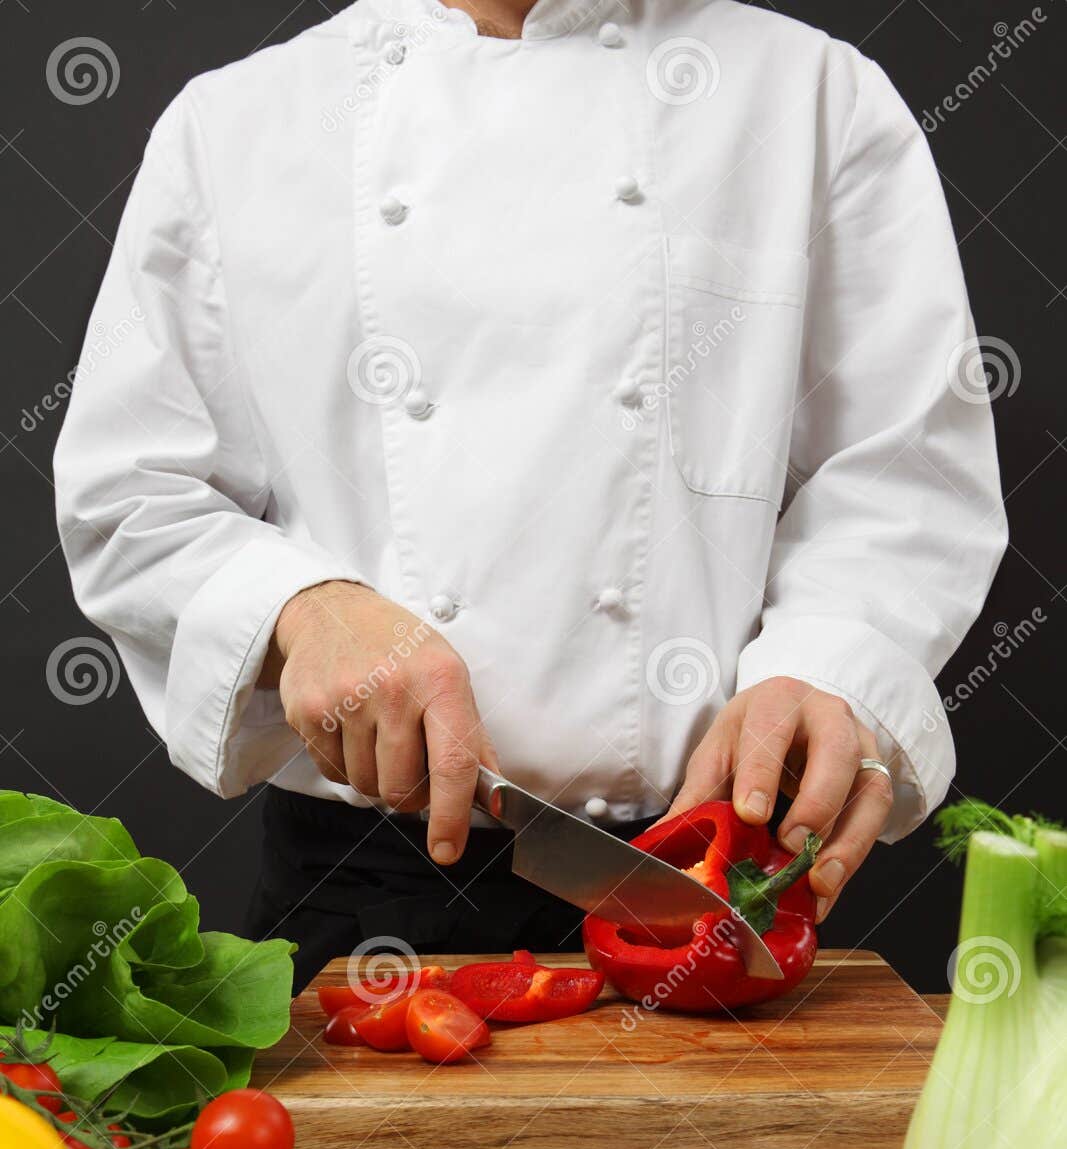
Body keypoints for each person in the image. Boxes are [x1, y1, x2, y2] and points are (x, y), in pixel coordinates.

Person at [55, 0, 1006, 992]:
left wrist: (825, 668)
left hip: (700, 887)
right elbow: (129, 495)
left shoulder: (816, 98)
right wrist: (299, 608)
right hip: (364, 907)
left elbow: (906, 476)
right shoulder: (233, 125)